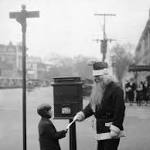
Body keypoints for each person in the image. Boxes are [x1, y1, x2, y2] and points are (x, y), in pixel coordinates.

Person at [73, 62, 126, 150]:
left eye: (98, 77)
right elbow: (92, 106)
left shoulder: (116, 89)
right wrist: (82, 114)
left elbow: (120, 110)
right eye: (95, 77)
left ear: (106, 76)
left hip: (111, 128)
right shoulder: (99, 89)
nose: (96, 79)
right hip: (100, 128)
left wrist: (116, 127)